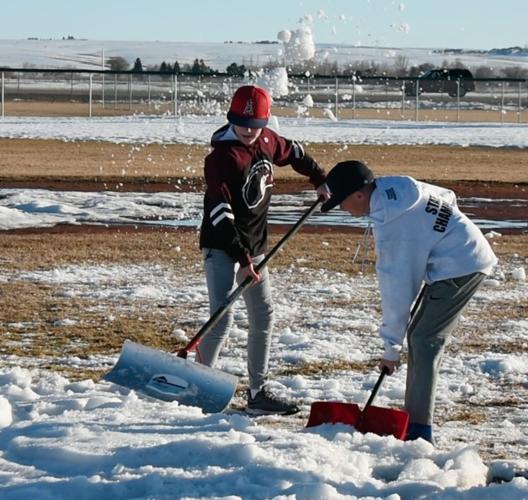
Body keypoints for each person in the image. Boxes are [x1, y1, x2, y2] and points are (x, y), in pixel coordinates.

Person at [321, 160, 497, 443]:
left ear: (359, 194)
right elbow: (447, 196)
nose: (343, 209)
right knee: (419, 336)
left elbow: (397, 290)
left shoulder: (392, 228)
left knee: (425, 339)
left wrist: (391, 348)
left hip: (463, 265)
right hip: (460, 255)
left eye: (342, 202)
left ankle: (418, 432)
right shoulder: (399, 187)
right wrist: (436, 237)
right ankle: (414, 421)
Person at [198, 85, 329, 415]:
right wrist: (242, 259)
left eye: (255, 125)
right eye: (241, 123)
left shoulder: (268, 140)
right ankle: (197, 386)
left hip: (255, 247)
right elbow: (220, 212)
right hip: (221, 244)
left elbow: (295, 153)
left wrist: (319, 178)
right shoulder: (221, 158)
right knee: (221, 317)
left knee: (263, 314)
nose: (247, 131)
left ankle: (258, 392)